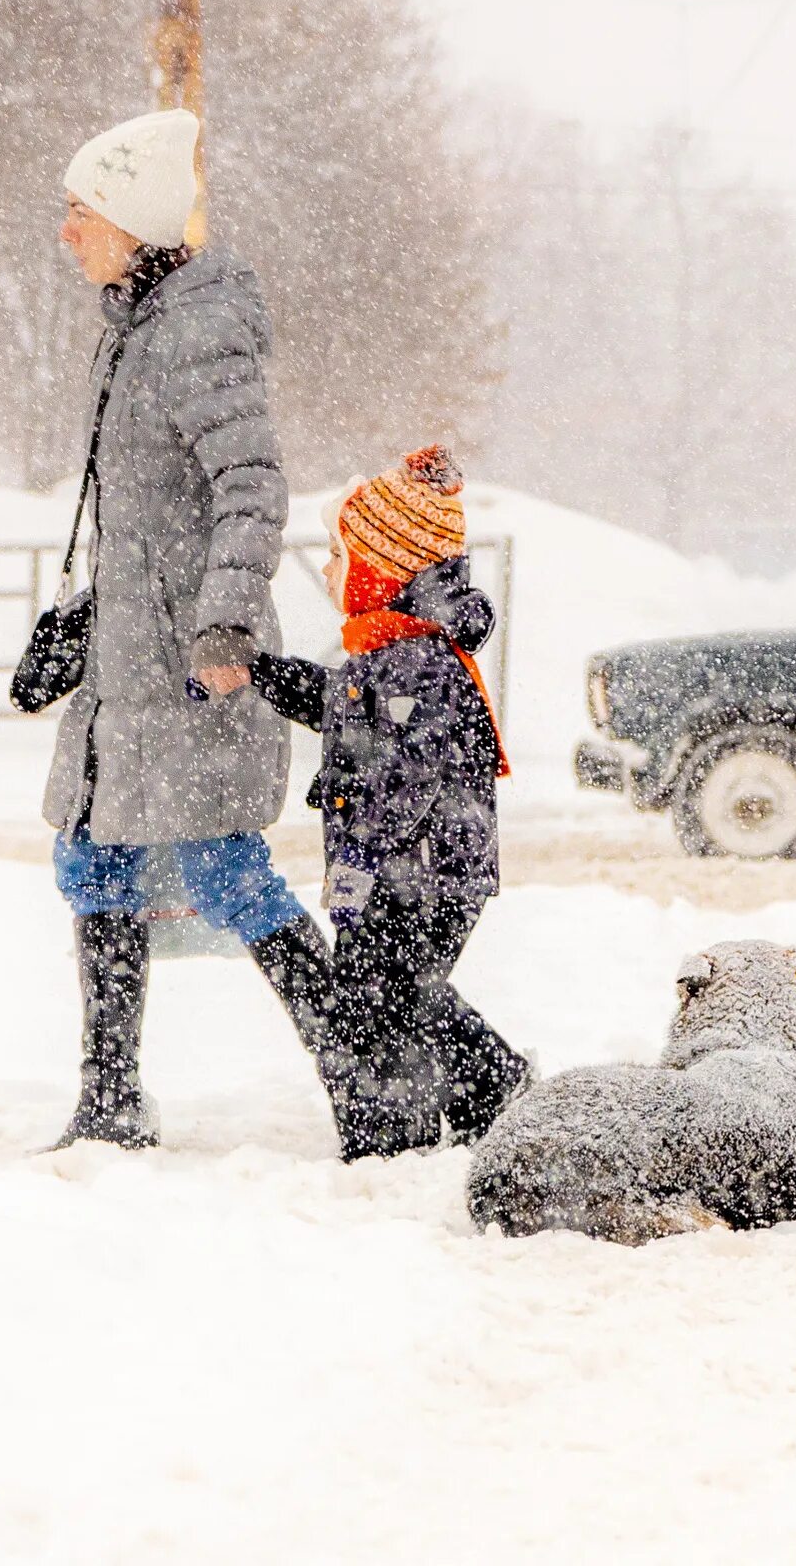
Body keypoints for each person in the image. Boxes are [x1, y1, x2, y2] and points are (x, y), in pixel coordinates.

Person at [36, 106, 350, 1151]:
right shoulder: (133, 331)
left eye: (82, 212)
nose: (68, 232)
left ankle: (361, 1063)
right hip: (126, 660)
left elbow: (251, 486)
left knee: (223, 869)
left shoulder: (194, 332)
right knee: (97, 861)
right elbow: (146, 517)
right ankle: (111, 1096)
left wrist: (223, 628)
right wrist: (86, 616)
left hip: (187, 664)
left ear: (129, 221)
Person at [230, 446, 531, 1158]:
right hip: (404, 874)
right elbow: (339, 705)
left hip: (419, 876)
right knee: (396, 997)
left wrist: (359, 845)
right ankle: (428, 1117)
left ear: (380, 570)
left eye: (339, 558)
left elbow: (407, 780)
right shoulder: (388, 654)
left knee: (390, 995)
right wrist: (264, 675)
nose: (329, 572)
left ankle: (480, 1092)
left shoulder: (414, 663)